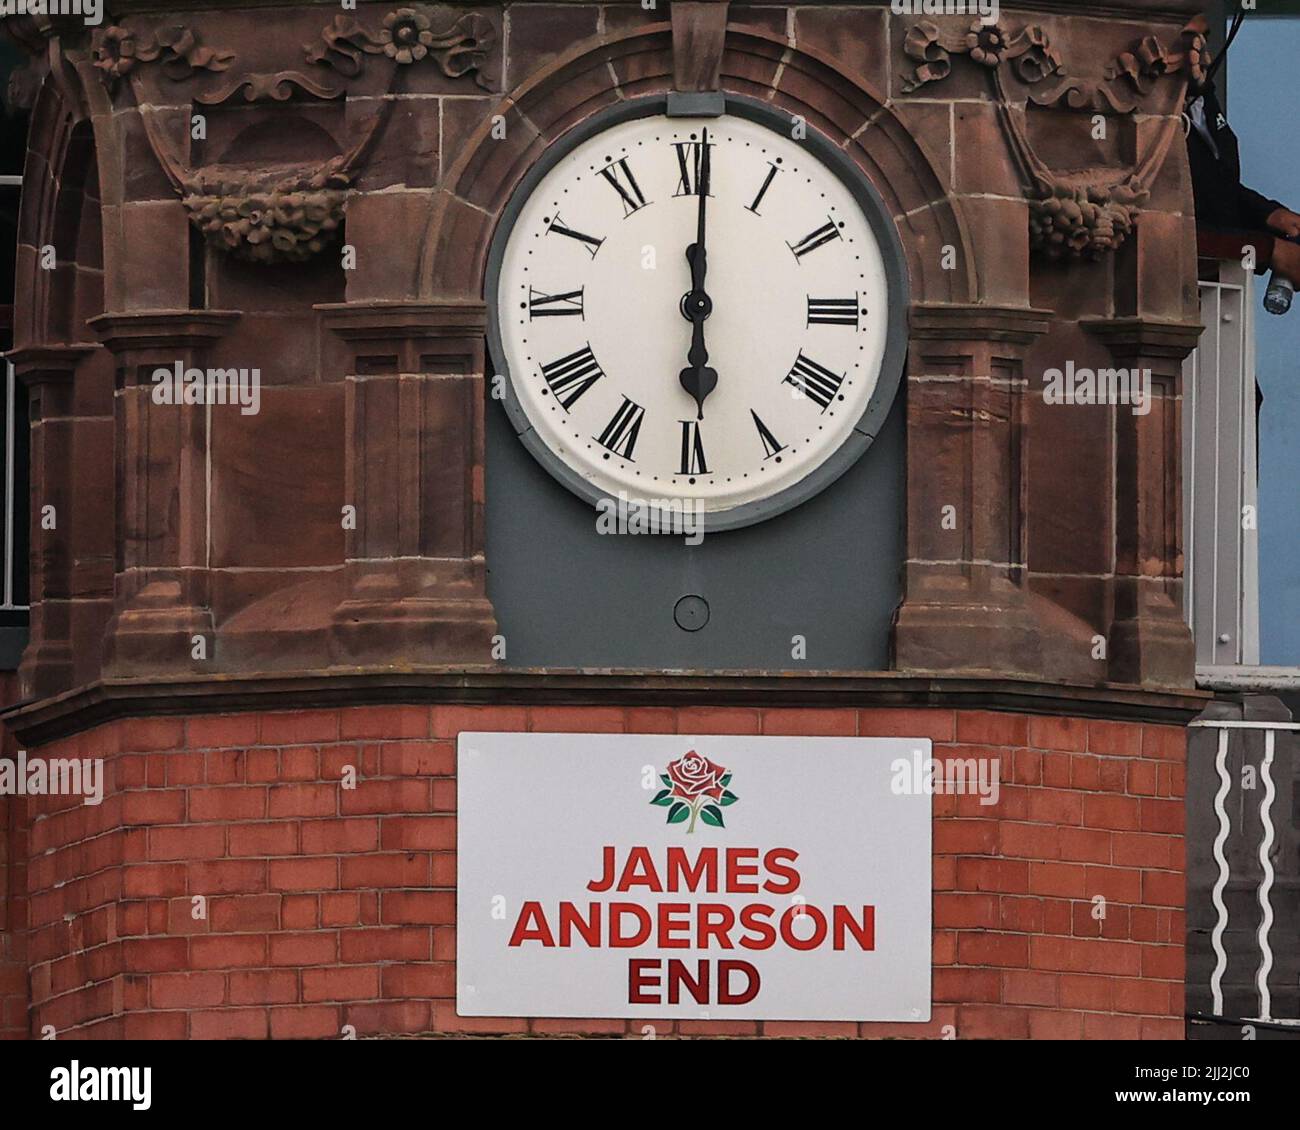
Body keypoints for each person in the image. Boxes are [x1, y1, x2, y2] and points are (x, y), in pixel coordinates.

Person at [1185, 19, 1300, 285]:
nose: (1202, 54)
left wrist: (1271, 216)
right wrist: (1268, 251)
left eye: (1203, 40)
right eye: (1190, 40)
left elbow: (1218, 191)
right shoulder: (1146, 129)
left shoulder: (1201, 100)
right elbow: (1162, 227)